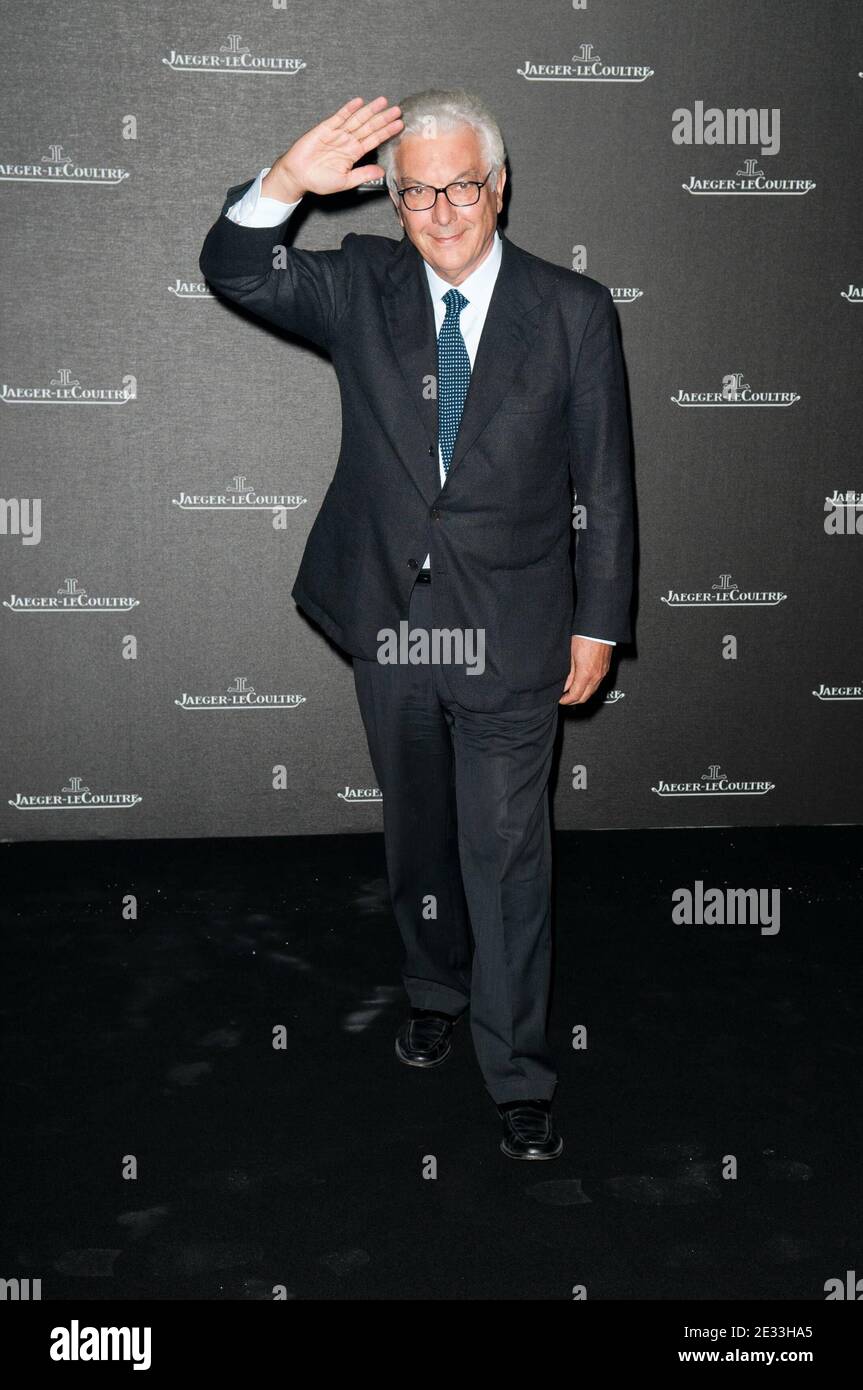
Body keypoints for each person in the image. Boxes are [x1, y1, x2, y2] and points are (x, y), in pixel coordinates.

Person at [199, 89, 634, 1159]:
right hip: (390, 625)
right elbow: (237, 268)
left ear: (498, 186)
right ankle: (432, 990)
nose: (440, 211)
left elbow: (607, 485)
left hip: (516, 631)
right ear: (391, 202)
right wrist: (285, 185)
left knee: (507, 849)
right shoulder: (359, 286)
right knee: (419, 838)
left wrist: (598, 624)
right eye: (415, 192)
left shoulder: (573, 309)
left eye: (460, 186)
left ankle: (517, 1065)